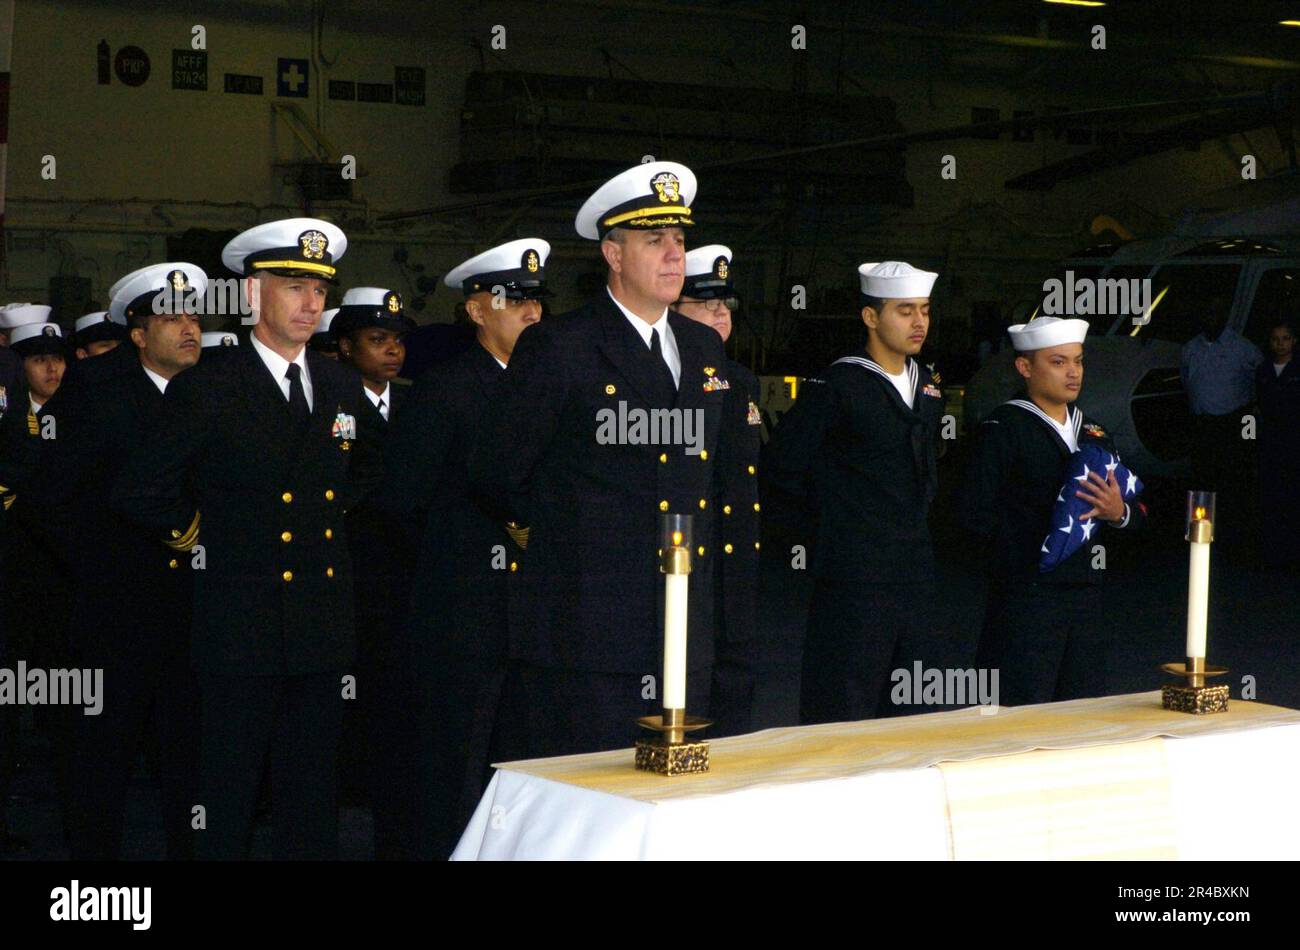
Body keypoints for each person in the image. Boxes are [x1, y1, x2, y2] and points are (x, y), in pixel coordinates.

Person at [113, 217, 367, 859]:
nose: (311, 303)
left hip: (319, 622)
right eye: (293, 285)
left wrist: (326, 526)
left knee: (312, 800)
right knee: (225, 798)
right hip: (239, 627)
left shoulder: (339, 384)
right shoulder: (211, 386)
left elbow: (370, 472)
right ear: (253, 295)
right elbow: (142, 489)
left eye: (320, 288)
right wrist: (205, 540)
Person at [469, 162, 738, 757]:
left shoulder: (701, 347)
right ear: (613, 256)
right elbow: (497, 469)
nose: (674, 255)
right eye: (654, 241)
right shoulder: (562, 346)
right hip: (587, 622)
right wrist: (568, 535)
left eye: (679, 240)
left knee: (672, 797)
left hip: (681, 615)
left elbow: (707, 476)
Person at [35, 263, 206, 859]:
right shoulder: (95, 390)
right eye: (170, 318)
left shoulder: (211, 388)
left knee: (191, 763)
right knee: (101, 759)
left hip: (197, 612)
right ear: (137, 333)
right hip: (115, 612)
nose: (189, 328)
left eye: (194, 316)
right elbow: (52, 498)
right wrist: (97, 576)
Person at [383, 237, 547, 858]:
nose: (531, 312)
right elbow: (403, 502)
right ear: (477, 310)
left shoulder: (554, 386)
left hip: (537, 613)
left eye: (537, 301)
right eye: (514, 300)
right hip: (464, 613)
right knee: (456, 768)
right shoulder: (445, 391)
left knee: (530, 765)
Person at [961, 316, 1147, 706]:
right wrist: (1019, 562)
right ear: (1025, 367)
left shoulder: (1093, 432)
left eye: (1078, 361)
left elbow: (1137, 508)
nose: (1073, 372)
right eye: (1058, 362)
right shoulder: (1003, 428)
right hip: (1026, 597)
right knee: (1019, 709)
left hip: (1085, 597)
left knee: (1081, 710)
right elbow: (972, 514)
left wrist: (1119, 513)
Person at [794, 261, 950, 724]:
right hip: (854, 576)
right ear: (870, 317)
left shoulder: (928, 386)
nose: (919, 322)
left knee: (912, 706)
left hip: (914, 573)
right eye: (904, 311)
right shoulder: (838, 385)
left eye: (924, 310)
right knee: (843, 700)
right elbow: (789, 470)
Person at [330, 285, 416, 859]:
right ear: (345, 347)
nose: (391, 351)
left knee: (392, 682)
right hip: (351, 563)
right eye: (376, 339)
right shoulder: (331, 401)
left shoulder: (414, 402)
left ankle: (381, 775)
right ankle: (349, 780)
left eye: (396, 340)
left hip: (405, 569)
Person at [674, 245, 762, 736]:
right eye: (706, 303)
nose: (720, 314)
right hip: (688, 554)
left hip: (735, 558)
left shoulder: (741, 381)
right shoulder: (667, 379)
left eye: (726, 304)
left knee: (735, 682)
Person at [1180, 308, 1262, 542]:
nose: (1211, 318)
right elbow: (1186, 379)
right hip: (1202, 423)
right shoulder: (1191, 348)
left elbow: (1261, 372)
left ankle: (1234, 535)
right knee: (1201, 479)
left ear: (1224, 318)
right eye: (1207, 314)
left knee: (1234, 478)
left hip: (1233, 423)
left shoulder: (1242, 347)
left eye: (1216, 314)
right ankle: (1200, 530)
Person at [1255, 320, 1300, 570]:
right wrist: (1250, 440)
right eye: (1276, 339)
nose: (1280, 343)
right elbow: (1256, 409)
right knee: (1272, 498)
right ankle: (1272, 554)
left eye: (1285, 338)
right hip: (1270, 444)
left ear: (1293, 341)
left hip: (1294, 443)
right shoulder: (1262, 370)